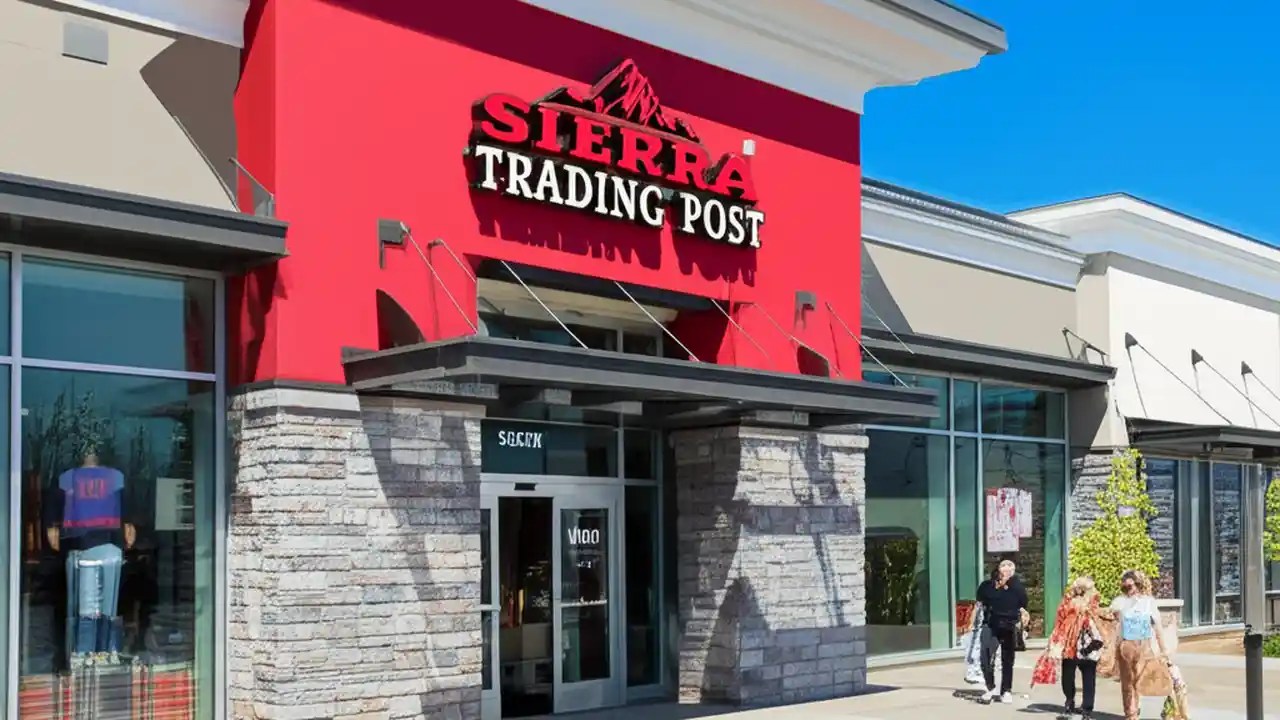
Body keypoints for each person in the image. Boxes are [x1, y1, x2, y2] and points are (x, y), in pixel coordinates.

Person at [1031, 577, 1105, 718]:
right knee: (1069, 674)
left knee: (1087, 674)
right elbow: (1060, 619)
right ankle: (1071, 701)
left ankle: (1086, 708)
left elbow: (1096, 616)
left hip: (1086, 639)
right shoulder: (1068, 599)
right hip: (1069, 640)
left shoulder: (1092, 599)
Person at [1109, 569, 1171, 720]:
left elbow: (1158, 628)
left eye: (1130, 587)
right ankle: (1131, 714)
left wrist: (1164, 651)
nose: (1127, 591)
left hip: (1144, 646)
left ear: (1138, 585)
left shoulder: (1148, 603)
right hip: (1125, 646)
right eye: (1124, 588)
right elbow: (1114, 626)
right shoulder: (1120, 602)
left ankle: (1136, 708)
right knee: (1127, 683)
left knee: (1140, 681)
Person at [977, 559, 1028, 703]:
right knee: (986, 656)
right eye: (1004, 565)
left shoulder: (1017, 587)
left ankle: (1006, 690)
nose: (1007, 569)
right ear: (997, 569)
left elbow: (1023, 603)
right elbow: (980, 602)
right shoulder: (987, 586)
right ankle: (990, 686)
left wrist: (1010, 584)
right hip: (990, 624)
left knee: (1008, 659)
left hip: (1009, 625)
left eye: (1010, 566)